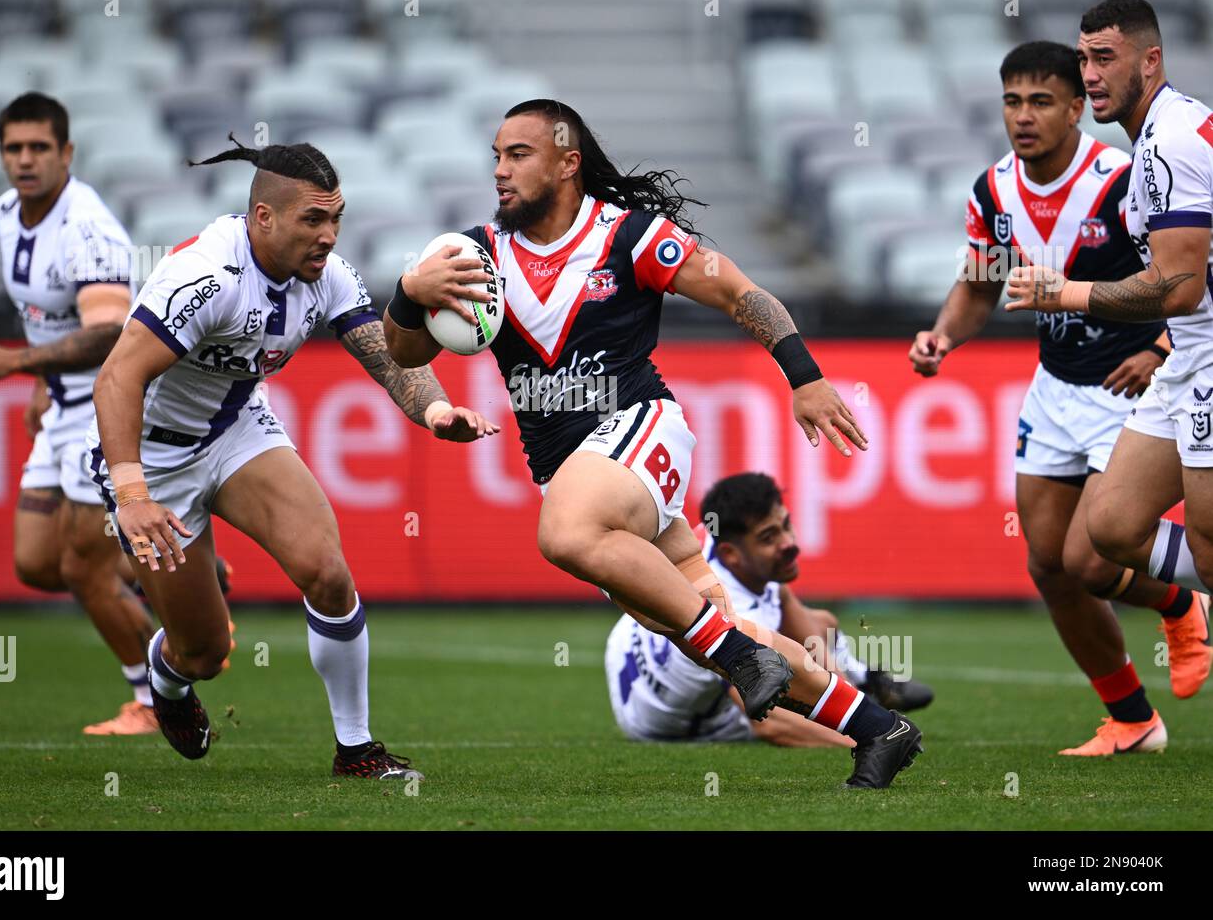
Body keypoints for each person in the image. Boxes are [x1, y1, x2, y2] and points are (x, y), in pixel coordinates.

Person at [385, 99, 923, 788]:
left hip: (639, 429)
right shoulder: (476, 255)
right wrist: (409, 290)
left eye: (518, 154)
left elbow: (739, 292)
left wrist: (805, 378)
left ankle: (742, 658)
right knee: (706, 626)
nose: (500, 170)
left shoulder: (628, 238)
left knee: (565, 535)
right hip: (572, 469)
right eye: (496, 155)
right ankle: (878, 728)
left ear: (567, 162)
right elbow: (403, 351)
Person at [88, 136, 498, 779]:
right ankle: (168, 682)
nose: (329, 236)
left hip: (238, 431)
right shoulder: (205, 277)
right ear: (263, 218)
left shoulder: (325, 275)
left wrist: (435, 410)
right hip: (157, 457)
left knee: (328, 572)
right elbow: (117, 379)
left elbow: (386, 357)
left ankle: (356, 749)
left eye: (336, 219)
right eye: (313, 219)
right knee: (206, 651)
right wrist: (132, 494)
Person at [913, 42, 1206, 756]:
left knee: (1092, 558)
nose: (1024, 116)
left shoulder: (1122, 180)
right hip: (1054, 388)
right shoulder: (992, 192)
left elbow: (1176, 280)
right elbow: (980, 284)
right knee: (1047, 563)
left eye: (1041, 100)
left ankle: (1181, 600)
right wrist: (943, 336)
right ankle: (1133, 720)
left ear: (1078, 107)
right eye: (1012, 101)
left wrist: (1158, 353)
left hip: (1127, 387)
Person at [1006, 0, 1213, 727]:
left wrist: (1065, 292)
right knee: (1110, 533)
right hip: (1184, 358)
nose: (1089, 75)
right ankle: (1186, 611)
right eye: (1085, 58)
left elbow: (1181, 288)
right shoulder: (1155, 135)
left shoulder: (1168, 144)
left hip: (1205, 354)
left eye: (1105, 59)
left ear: (1150, 60)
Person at [0, 91, 162, 735]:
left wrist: (19, 364)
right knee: (35, 563)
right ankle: (187, 568)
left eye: (39, 147)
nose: (25, 159)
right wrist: (44, 378)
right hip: (60, 402)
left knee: (81, 567)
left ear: (66, 153)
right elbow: (47, 314)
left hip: (99, 409)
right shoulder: (4, 213)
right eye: (13, 148)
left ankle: (153, 702)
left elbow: (108, 334)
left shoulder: (88, 229)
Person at [605, 472, 932, 746]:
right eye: (769, 537)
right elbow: (770, 723)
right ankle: (865, 697)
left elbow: (785, 601)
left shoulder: (712, 539)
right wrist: (865, 734)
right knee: (779, 681)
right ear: (732, 554)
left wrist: (848, 695)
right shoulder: (730, 609)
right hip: (660, 721)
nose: (789, 542)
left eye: (786, 525)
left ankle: (862, 684)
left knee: (820, 624)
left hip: (628, 650)